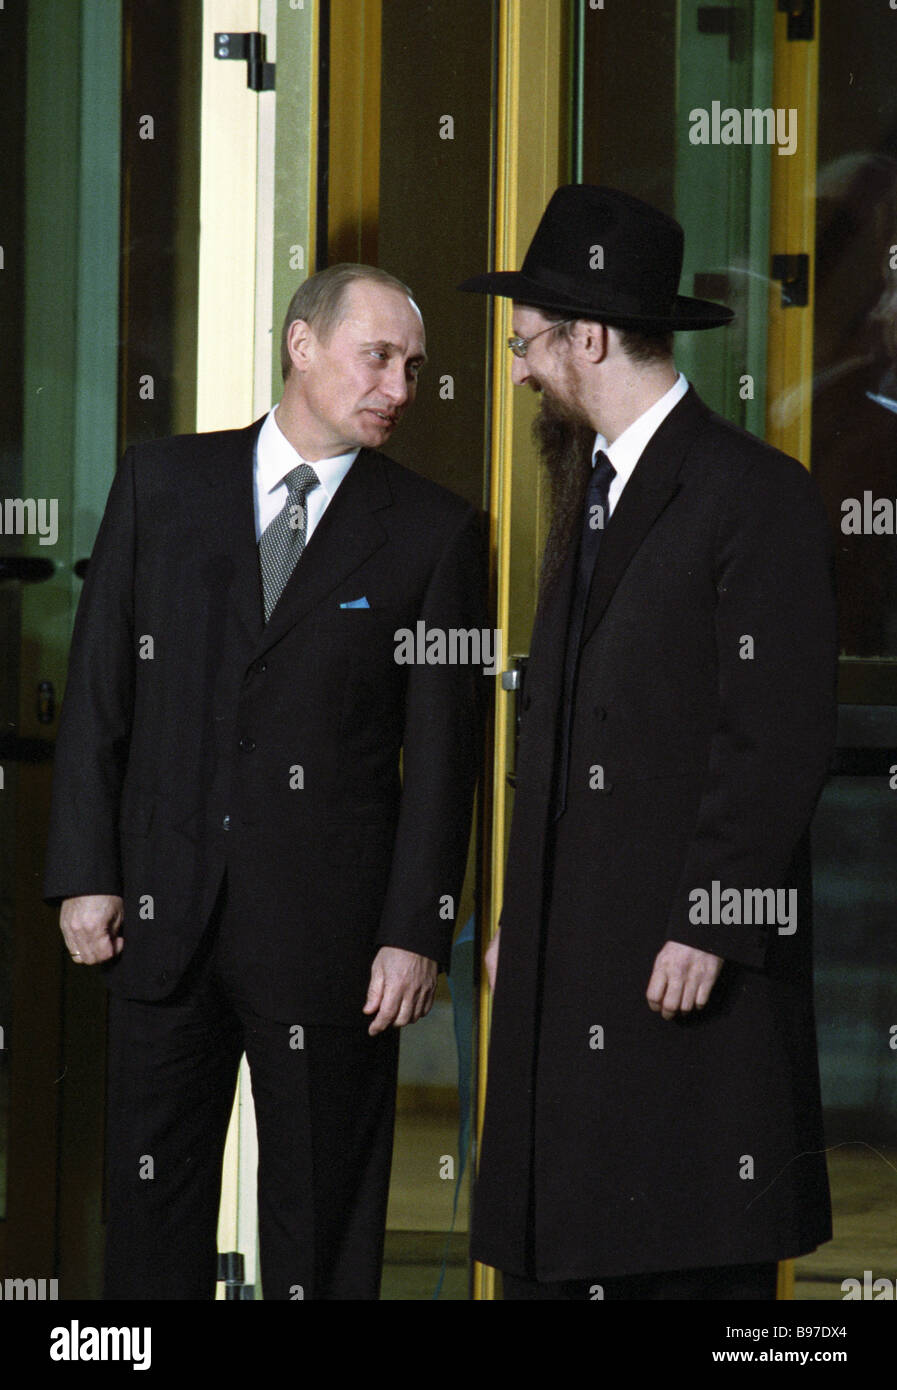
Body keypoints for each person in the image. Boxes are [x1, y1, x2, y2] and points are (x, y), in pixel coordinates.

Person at [43, 263, 486, 1301]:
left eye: (415, 368)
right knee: (151, 1216)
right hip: (160, 918)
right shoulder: (162, 482)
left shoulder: (436, 530)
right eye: (379, 356)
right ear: (302, 344)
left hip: (331, 942)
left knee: (322, 1223)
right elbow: (101, 690)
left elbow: (445, 757)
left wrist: (417, 928)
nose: (402, 387)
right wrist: (84, 869)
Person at [458, 185, 837, 1300]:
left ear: (591, 336)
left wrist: (712, 915)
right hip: (573, 965)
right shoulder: (590, 490)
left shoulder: (754, 495)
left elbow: (777, 729)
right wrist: (514, 919)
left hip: (679, 968)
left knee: (680, 1253)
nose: (521, 369)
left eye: (529, 344)